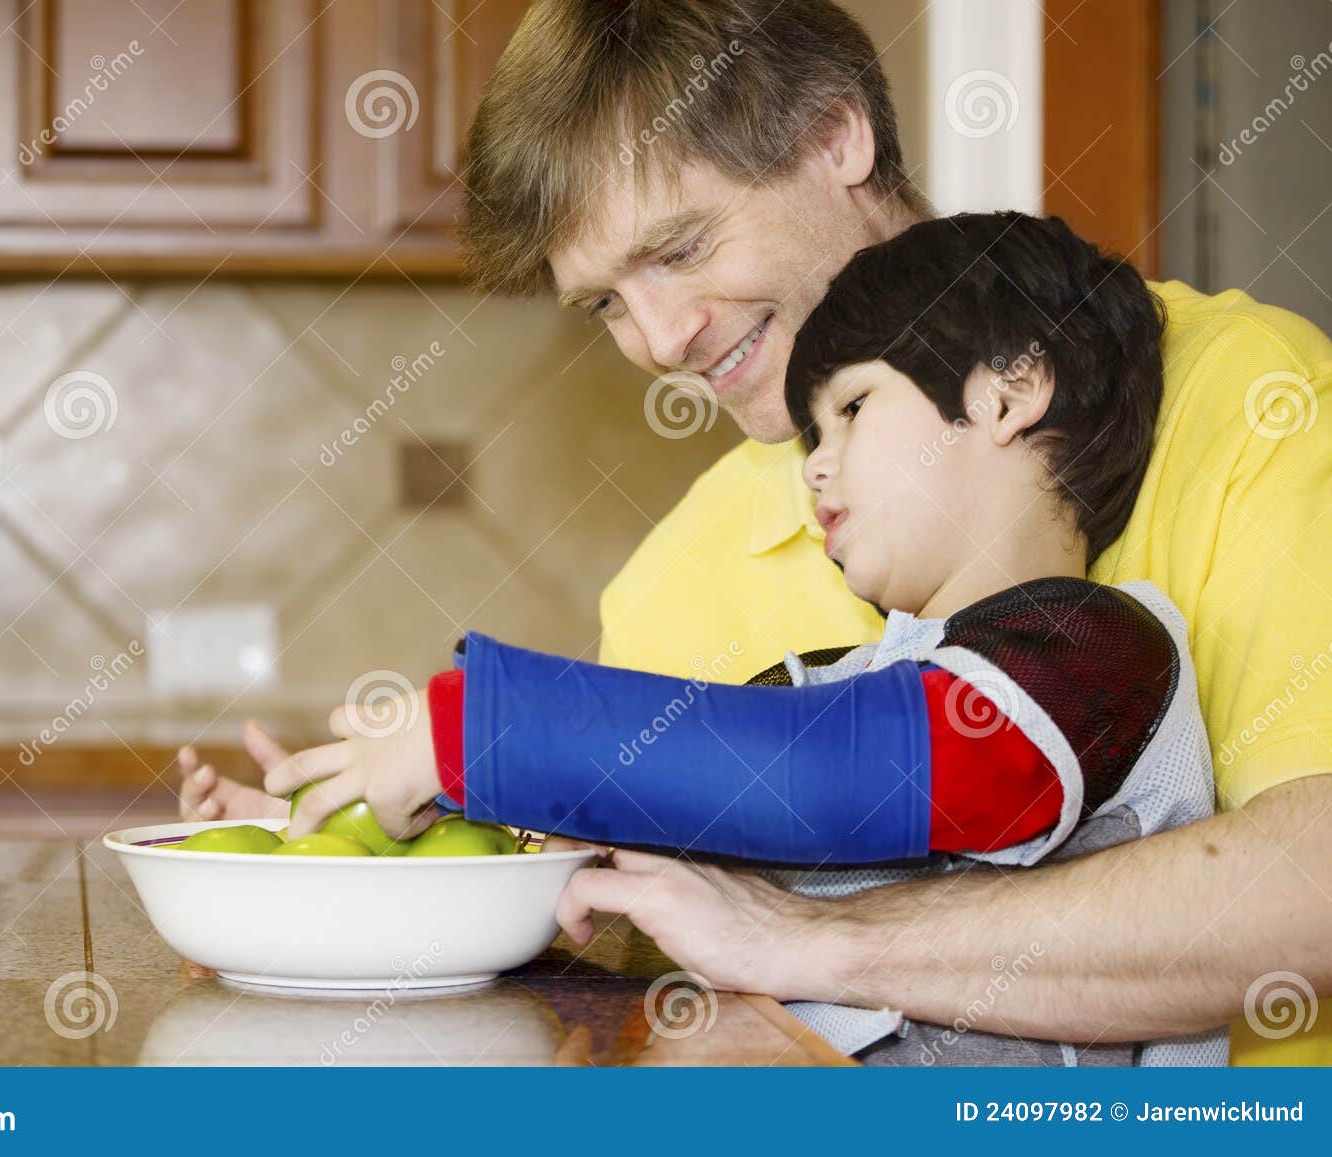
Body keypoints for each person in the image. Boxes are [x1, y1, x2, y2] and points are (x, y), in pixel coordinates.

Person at [183, 0, 1332, 1063]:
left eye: (678, 249)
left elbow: (1312, 886)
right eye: (604, 304)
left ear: (835, 135)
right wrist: (337, 861)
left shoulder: (1252, 402)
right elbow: (643, 910)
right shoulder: (679, 572)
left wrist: (821, 941)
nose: (659, 339)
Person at [255, 210, 1223, 1066]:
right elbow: (695, 798)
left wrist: (477, 732)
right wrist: (346, 828)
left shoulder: (1097, 649)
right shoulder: (842, 679)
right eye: (809, 438)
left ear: (1008, 392)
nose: (815, 469)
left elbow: (830, 769)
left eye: (849, 409)